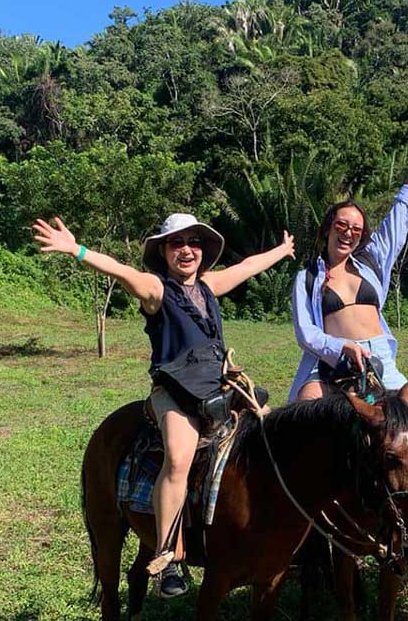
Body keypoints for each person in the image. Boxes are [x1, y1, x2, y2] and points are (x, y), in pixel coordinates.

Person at [33, 213, 294, 597]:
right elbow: (122, 271)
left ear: (203, 251)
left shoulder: (208, 286)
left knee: (273, 441)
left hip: (219, 386)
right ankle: (169, 556)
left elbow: (246, 267)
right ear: (164, 252)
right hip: (174, 392)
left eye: (194, 243)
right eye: (176, 243)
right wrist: (77, 250)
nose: (186, 250)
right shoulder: (157, 289)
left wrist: (281, 250)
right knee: (178, 457)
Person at [290, 150, 408, 401]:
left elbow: (400, 214)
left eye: (356, 229)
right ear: (328, 228)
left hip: (380, 357)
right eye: (342, 225)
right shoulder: (308, 277)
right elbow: (306, 334)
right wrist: (342, 346)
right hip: (332, 363)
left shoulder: (372, 261)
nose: (349, 233)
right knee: (306, 409)